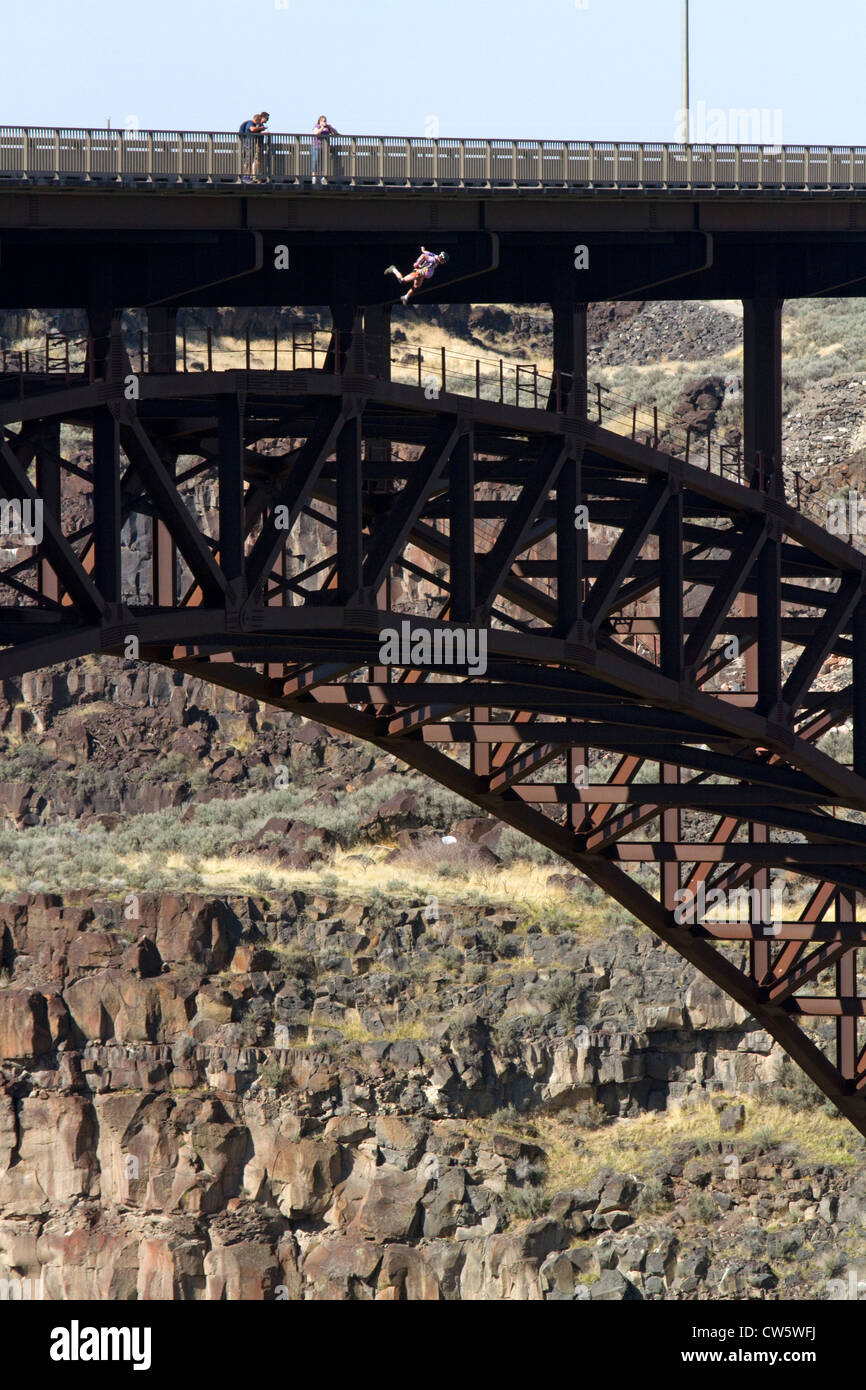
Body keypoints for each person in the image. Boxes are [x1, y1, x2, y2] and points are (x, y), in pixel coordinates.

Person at [385, 247, 450, 305]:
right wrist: (417, 263)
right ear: (442, 258)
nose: (444, 263)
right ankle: (393, 269)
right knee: (402, 281)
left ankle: (405, 297)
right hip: (418, 272)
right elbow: (424, 256)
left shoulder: (436, 258)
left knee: (416, 287)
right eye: (444, 261)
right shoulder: (433, 259)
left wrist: (423, 249)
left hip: (422, 275)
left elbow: (426, 252)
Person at [239, 112, 269, 183]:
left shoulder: (255, 124)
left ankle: (250, 177)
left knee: (252, 161)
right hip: (249, 144)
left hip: (252, 144)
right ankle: (246, 177)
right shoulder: (250, 123)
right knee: (248, 161)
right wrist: (261, 128)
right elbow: (252, 129)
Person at [311, 116, 338, 185]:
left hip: (325, 147)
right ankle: (314, 177)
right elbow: (316, 134)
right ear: (319, 121)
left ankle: (323, 178)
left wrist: (331, 128)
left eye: (325, 121)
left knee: (324, 163)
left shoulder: (328, 128)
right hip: (316, 146)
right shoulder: (317, 127)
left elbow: (335, 133)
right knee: (315, 161)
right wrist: (322, 128)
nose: (324, 122)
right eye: (323, 121)